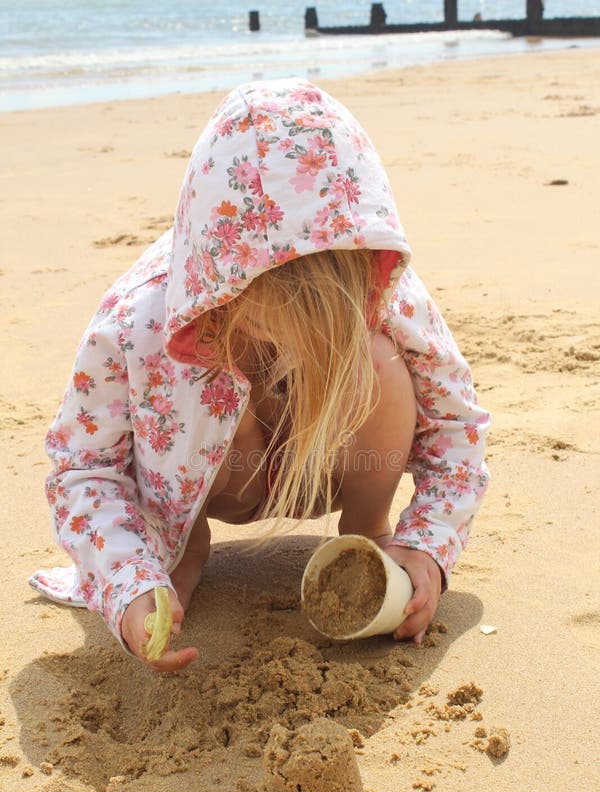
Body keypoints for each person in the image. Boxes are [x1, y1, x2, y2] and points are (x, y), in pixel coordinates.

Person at [30, 78, 490, 672]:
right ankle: (184, 548)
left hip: (326, 468)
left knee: (377, 359)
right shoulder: (137, 323)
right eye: (286, 322)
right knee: (202, 385)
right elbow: (83, 468)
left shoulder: (379, 291)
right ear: (227, 291)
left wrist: (427, 544)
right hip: (207, 484)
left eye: (329, 323)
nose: (307, 341)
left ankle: (367, 528)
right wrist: (128, 580)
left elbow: (456, 426)